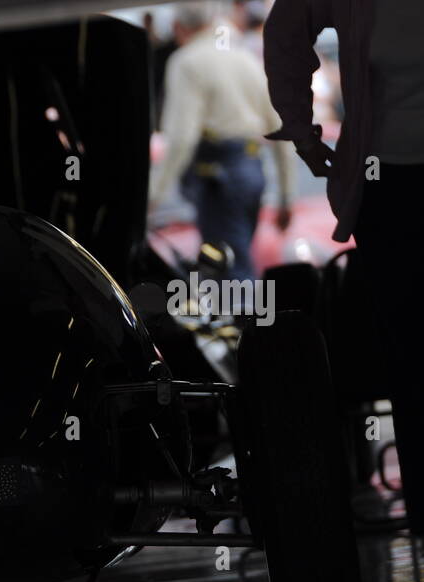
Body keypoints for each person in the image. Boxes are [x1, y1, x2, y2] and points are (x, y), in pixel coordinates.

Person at [265, 0, 424, 531]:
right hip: (386, 188)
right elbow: (286, 35)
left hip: (389, 186)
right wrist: (303, 132)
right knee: (408, 347)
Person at [149, 5, 296, 282]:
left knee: (228, 271)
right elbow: (282, 131)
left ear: (179, 28)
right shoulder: (245, 59)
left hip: (218, 175)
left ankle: (243, 323)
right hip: (251, 171)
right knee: (234, 260)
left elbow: (181, 137)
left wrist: (155, 194)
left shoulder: (187, 61)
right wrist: (287, 197)